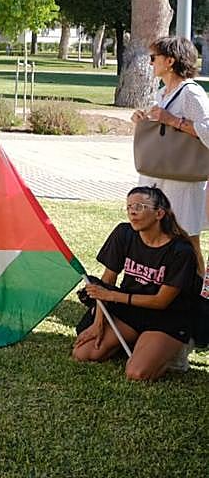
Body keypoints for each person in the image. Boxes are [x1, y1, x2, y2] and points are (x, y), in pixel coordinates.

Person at [72, 186, 200, 380]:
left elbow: (161, 301)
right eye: (129, 206)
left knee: (137, 372)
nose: (132, 211)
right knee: (83, 354)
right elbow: (106, 282)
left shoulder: (181, 251)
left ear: (159, 213)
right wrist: (99, 322)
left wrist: (113, 296)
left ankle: (175, 350)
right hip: (130, 310)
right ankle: (139, 342)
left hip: (168, 317)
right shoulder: (124, 233)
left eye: (139, 206)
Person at [131, 35, 209, 273]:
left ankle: (197, 294)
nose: (151, 62)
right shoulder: (162, 93)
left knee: (187, 237)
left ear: (170, 61)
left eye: (154, 58)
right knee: (159, 235)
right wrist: (144, 123)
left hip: (183, 179)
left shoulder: (191, 93)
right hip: (159, 175)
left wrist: (173, 120)